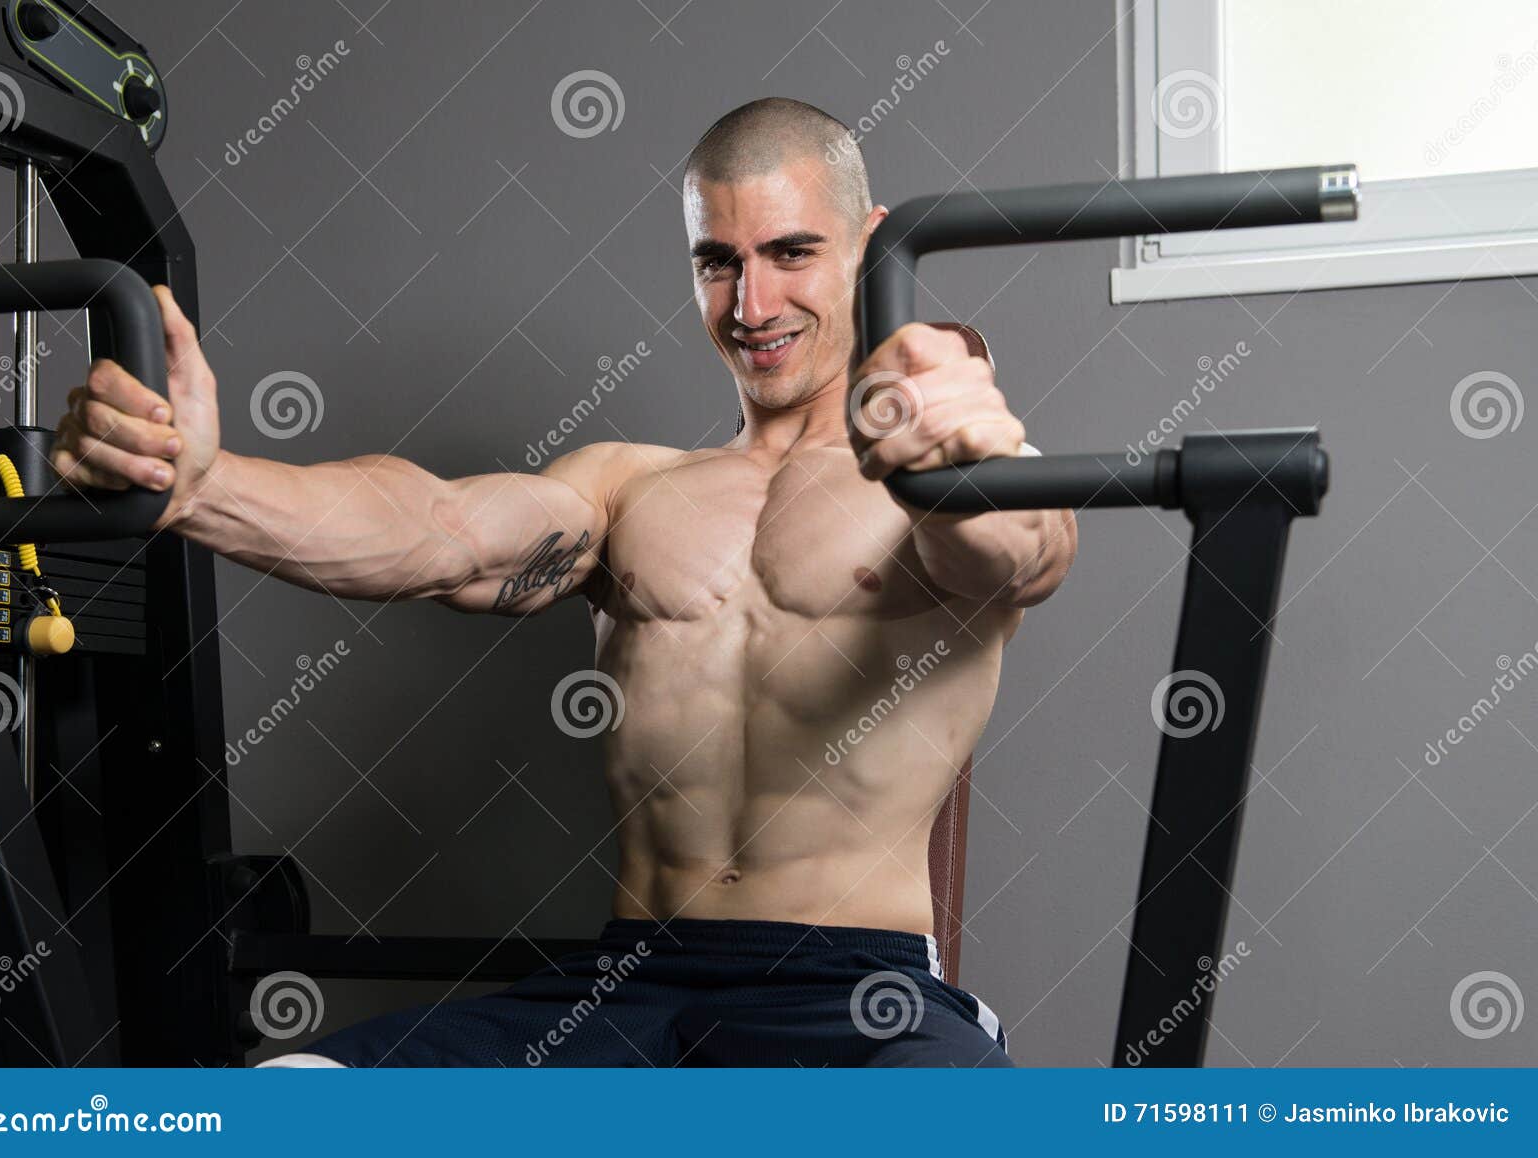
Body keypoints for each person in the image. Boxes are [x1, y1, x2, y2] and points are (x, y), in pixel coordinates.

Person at [52, 97, 1076, 1067]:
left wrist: (954, 478)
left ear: (869, 241)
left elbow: (1022, 552)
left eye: (791, 253)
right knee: (291, 1095)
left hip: (857, 997)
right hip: (628, 988)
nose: (752, 304)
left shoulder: (946, 465)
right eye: (717, 263)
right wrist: (199, 483)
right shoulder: (629, 488)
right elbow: (437, 528)